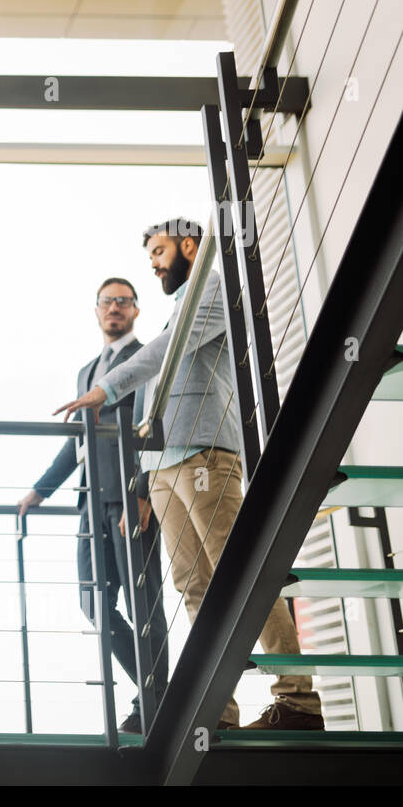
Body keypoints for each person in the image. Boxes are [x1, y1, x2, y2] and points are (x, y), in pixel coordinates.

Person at [56, 218, 324, 731]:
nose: (155, 263)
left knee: (239, 571)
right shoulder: (179, 305)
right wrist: (141, 480)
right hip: (161, 464)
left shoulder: (216, 288)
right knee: (193, 586)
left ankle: (297, 700)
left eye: (159, 251)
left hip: (204, 455)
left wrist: (105, 390)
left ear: (187, 246)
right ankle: (218, 708)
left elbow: (167, 348)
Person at [19, 277, 169, 734]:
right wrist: (40, 491)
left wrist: (141, 490)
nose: (115, 308)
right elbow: (77, 442)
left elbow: (153, 425)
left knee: (145, 607)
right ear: (97, 310)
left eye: (124, 301)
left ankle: (154, 704)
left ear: (136, 311)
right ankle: (155, 693)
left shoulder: (146, 360)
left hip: (130, 499)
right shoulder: (87, 370)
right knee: (94, 604)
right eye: (107, 302)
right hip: (90, 503)